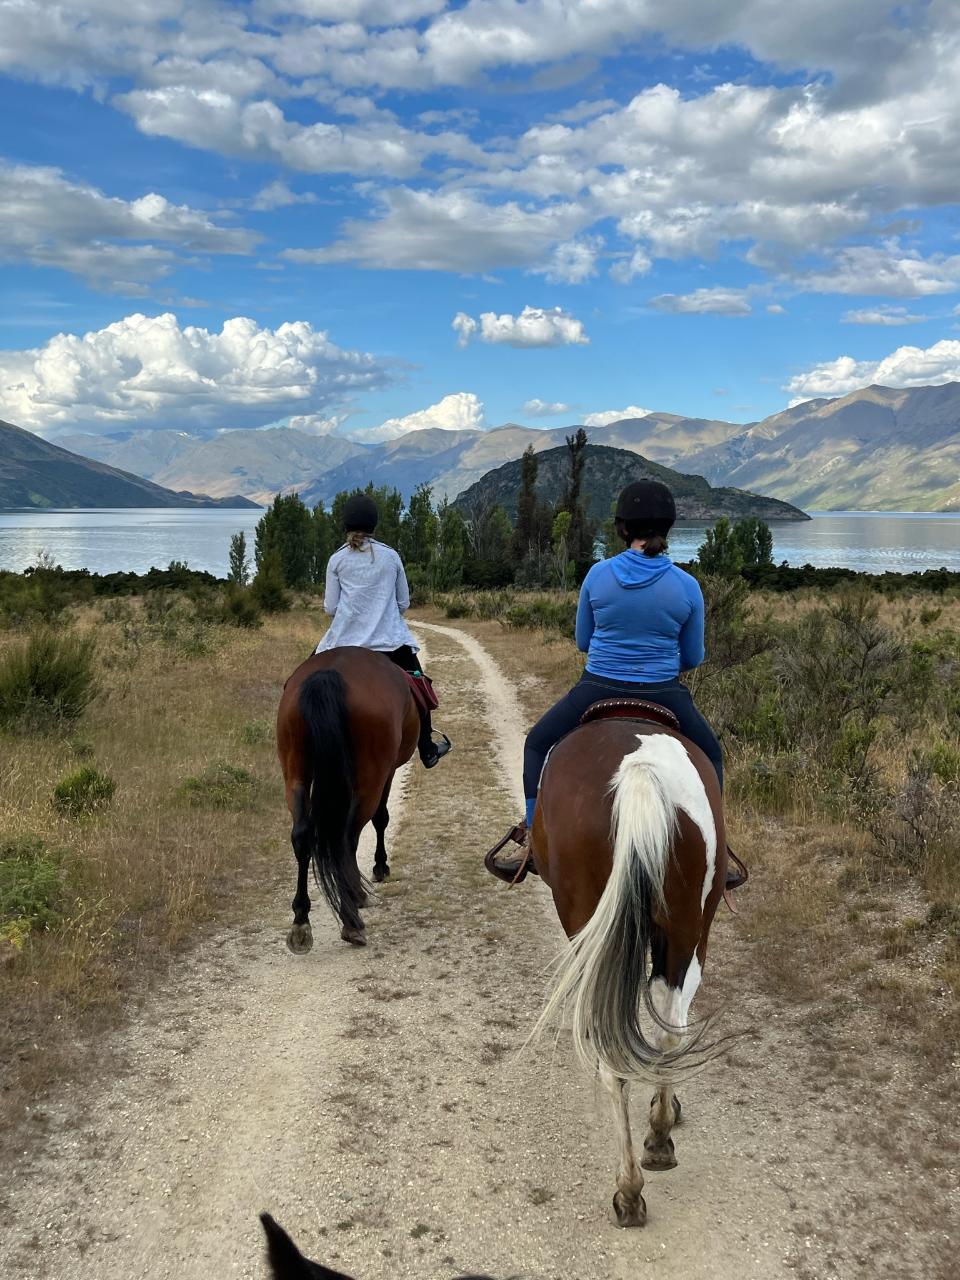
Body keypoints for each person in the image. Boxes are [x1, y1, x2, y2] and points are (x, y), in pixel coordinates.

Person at [486, 479, 745, 889]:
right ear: (668, 529)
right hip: (665, 693)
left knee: (537, 742)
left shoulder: (597, 574)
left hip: (598, 687)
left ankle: (533, 838)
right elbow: (693, 658)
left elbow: (583, 642)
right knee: (711, 755)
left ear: (623, 528)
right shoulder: (687, 586)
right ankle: (720, 846)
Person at [316, 493, 451, 769]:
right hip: (389, 644)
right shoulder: (390, 557)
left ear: (346, 525)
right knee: (420, 686)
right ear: (373, 525)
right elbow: (403, 603)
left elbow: (330, 608)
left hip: (343, 644)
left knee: (301, 677)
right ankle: (426, 747)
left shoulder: (337, 560)